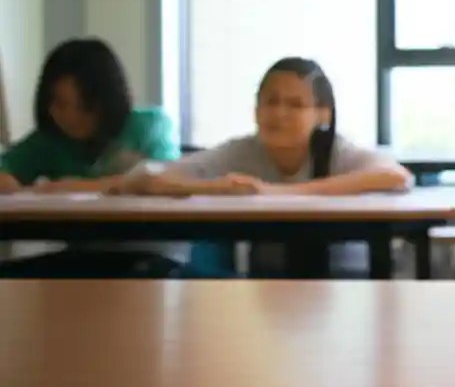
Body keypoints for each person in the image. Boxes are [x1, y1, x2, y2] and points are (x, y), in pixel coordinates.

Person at [118, 57, 413, 277]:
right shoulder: (242, 152)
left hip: (347, 284)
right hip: (268, 288)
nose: (278, 113)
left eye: (295, 105)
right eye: (270, 102)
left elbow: (395, 176)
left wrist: (280, 193)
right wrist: (214, 188)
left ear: (323, 114)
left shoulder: (336, 150)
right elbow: (145, 177)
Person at [0, 38, 185, 277]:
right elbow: (7, 168)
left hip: (152, 254)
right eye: (59, 104)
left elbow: (166, 179)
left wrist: (69, 187)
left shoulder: (150, 125)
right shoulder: (50, 140)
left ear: (105, 101)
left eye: (82, 106)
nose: (70, 117)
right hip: (84, 257)